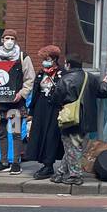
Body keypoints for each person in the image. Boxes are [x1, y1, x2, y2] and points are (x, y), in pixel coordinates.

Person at [49, 57, 107, 186]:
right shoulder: (91, 78)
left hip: (70, 119)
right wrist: (104, 83)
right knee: (72, 147)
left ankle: (75, 175)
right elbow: (102, 93)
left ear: (68, 64)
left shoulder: (65, 79)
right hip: (86, 120)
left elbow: (55, 99)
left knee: (72, 147)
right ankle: (60, 173)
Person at [0, 28, 34, 173]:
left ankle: (16, 163)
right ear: (2, 40)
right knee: (1, 132)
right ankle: (3, 161)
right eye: (7, 38)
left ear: (16, 41)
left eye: (12, 39)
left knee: (16, 132)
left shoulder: (22, 57)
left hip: (16, 103)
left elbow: (30, 78)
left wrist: (22, 93)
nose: (9, 41)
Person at [25, 45, 65, 179]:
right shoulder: (41, 73)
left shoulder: (62, 73)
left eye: (47, 59)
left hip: (54, 108)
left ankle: (49, 164)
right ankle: (43, 162)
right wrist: (31, 111)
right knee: (39, 134)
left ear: (54, 59)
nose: (44, 62)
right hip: (40, 109)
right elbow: (35, 92)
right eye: (43, 59)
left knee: (51, 136)